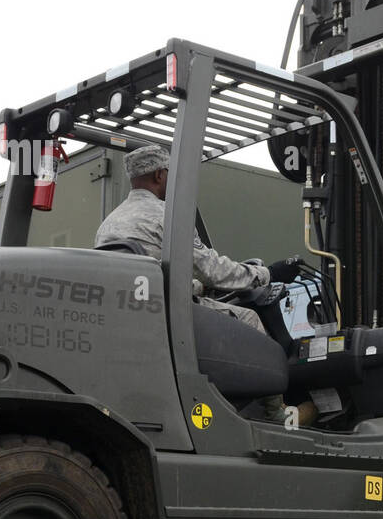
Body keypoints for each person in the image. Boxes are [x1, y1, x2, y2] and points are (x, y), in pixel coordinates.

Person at [96, 144, 306, 423]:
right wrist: (267, 273)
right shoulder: (167, 216)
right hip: (172, 316)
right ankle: (277, 417)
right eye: (170, 173)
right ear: (160, 175)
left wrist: (196, 287)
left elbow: (149, 271)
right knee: (250, 318)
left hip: (138, 317)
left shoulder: (109, 224)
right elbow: (213, 269)